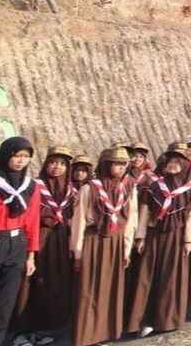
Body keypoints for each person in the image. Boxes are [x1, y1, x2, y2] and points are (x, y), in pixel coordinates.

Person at [127, 142, 191, 338]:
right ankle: (143, 320)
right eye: (170, 161)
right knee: (147, 276)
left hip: (176, 238)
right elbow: (144, 212)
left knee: (170, 277)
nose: (173, 165)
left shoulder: (190, 189)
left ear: (185, 165)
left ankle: (166, 319)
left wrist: (188, 240)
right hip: (154, 236)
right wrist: (140, 237)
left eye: (178, 161)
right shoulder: (154, 186)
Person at [71, 147, 138, 346]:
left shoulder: (128, 188)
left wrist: (127, 249)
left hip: (116, 241)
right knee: (89, 288)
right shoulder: (88, 188)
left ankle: (104, 332)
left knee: (111, 288)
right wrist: (77, 251)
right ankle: (86, 334)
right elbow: (79, 222)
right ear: (106, 164)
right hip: (93, 240)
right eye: (116, 163)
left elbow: (131, 219)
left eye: (123, 164)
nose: (119, 168)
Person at [11, 145, 72, 346]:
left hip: (59, 241)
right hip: (37, 236)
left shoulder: (70, 188)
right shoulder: (34, 185)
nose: (57, 167)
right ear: (46, 163)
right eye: (53, 162)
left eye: (62, 164)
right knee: (29, 285)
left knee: (52, 283)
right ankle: (21, 331)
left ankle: (44, 328)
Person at [0, 137, 40, 346]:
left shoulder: (31, 187)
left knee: (6, 301)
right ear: (6, 155)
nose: (21, 161)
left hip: (17, 245)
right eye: (17, 156)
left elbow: (32, 222)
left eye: (26, 157)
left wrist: (31, 255)